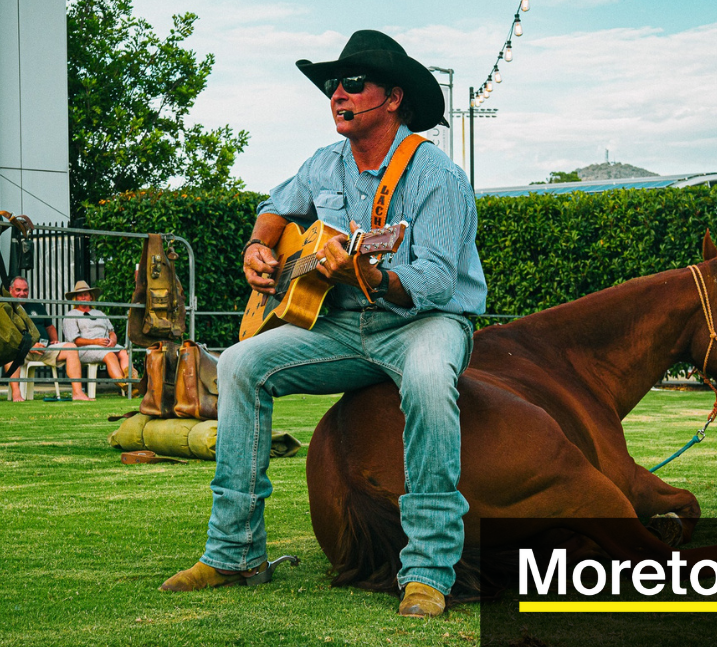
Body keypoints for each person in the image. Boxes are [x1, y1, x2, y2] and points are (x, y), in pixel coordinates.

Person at [160, 30, 487, 618]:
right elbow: (275, 208)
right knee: (237, 363)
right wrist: (258, 250)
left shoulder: (438, 174)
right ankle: (234, 553)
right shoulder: (323, 163)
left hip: (423, 322)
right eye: (333, 85)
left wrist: (371, 273)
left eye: (353, 83)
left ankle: (429, 570)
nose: (338, 92)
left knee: (431, 384)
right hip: (338, 326)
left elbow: (437, 279)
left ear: (393, 98)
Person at [5, 276, 91, 402]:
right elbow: (8, 335)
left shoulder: (37, 306)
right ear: (10, 290)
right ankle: (16, 393)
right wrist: (28, 347)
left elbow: (49, 326)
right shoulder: (6, 307)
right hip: (21, 351)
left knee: (71, 347)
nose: (22, 293)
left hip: (45, 348)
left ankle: (77, 392)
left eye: (25, 290)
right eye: (18, 290)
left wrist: (54, 340)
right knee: (9, 353)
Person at [62, 281, 130, 394]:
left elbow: (111, 332)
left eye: (86, 294)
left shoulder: (100, 313)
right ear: (76, 298)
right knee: (110, 355)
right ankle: (124, 385)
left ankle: (130, 383)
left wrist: (113, 341)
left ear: (90, 297)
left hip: (105, 345)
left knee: (124, 352)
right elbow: (75, 341)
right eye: (80, 295)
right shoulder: (70, 315)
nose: (83, 297)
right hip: (86, 348)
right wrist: (96, 342)